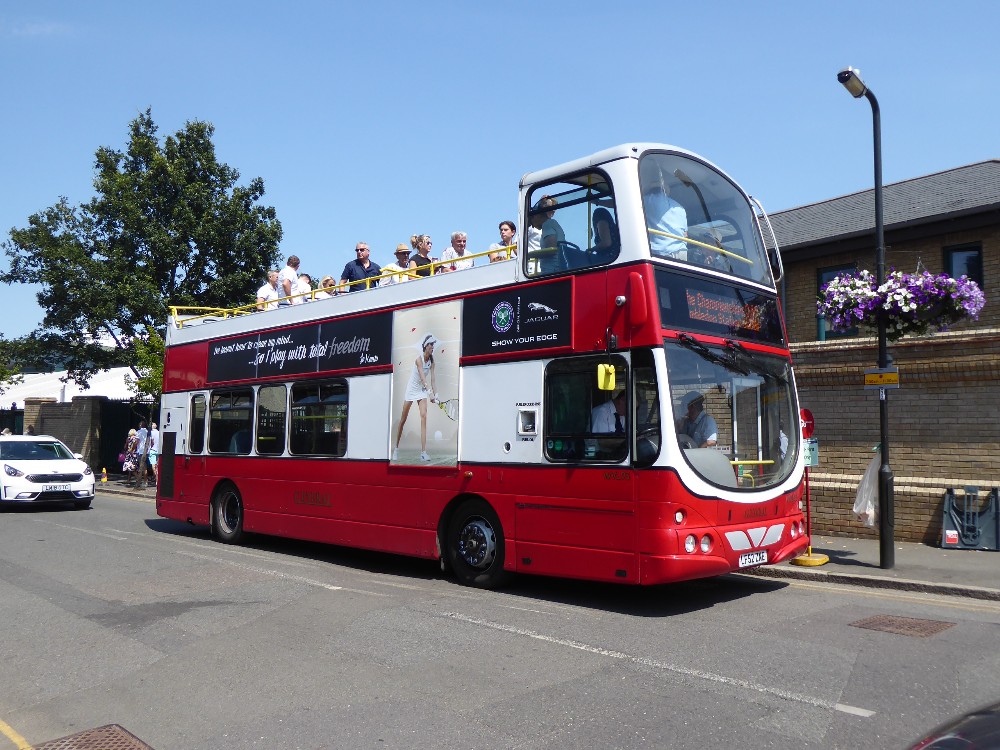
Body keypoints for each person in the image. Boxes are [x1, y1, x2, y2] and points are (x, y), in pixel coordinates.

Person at [393, 334, 438, 462]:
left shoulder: (432, 362)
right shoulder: (418, 360)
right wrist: (430, 392)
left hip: (422, 391)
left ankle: (423, 452)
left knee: (424, 416)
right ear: (425, 346)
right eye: (431, 345)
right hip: (412, 390)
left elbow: (432, 379)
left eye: (433, 345)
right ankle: (396, 449)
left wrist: (436, 394)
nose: (432, 347)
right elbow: (423, 377)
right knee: (403, 420)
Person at [641, 161, 688, 259]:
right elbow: (685, 235)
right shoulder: (680, 207)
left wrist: (600, 202)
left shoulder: (649, 200)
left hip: (663, 252)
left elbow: (626, 203)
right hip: (682, 252)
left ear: (650, 190)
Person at [538, 196, 565, 274]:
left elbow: (551, 249)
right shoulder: (554, 224)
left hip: (551, 270)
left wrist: (530, 255)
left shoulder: (547, 224)